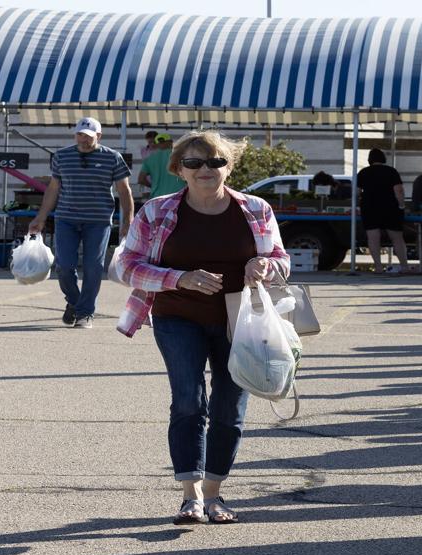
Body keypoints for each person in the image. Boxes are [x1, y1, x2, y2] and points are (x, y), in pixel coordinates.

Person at [114, 130, 290, 525]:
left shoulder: (256, 209)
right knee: (189, 400)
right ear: (179, 170)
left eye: (215, 161)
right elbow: (125, 265)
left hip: (240, 320)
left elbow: (281, 258)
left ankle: (214, 495)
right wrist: (179, 278)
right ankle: (189, 496)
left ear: (229, 166)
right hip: (178, 316)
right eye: (194, 163)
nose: (205, 170)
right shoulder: (158, 211)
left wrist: (264, 266)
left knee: (230, 406)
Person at [28, 118, 134, 329]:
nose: (83, 139)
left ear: (99, 136)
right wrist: (40, 217)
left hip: (98, 221)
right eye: (80, 134)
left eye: (88, 135)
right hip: (66, 219)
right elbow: (53, 188)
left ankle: (85, 313)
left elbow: (124, 191)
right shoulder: (61, 156)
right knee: (64, 266)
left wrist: (128, 221)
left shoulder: (112, 158)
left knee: (93, 267)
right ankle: (75, 303)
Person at [357, 148, 408, 274]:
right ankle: (404, 266)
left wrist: (358, 205)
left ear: (370, 159)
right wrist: (401, 205)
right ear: (383, 158)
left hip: (369, 207)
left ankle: (378, 267)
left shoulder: (363, 172)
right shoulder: (391, 171)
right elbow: (399, 190)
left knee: (373, 237)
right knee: (396, 238)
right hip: (390, 207)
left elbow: (357, 192)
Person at [138, 133, 182, 199]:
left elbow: (141, 179)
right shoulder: (181, 156)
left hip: (157, 197)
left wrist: (153, 186)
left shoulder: (149, 159)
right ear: (171, 142)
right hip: (179, 195)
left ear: (157, 144)